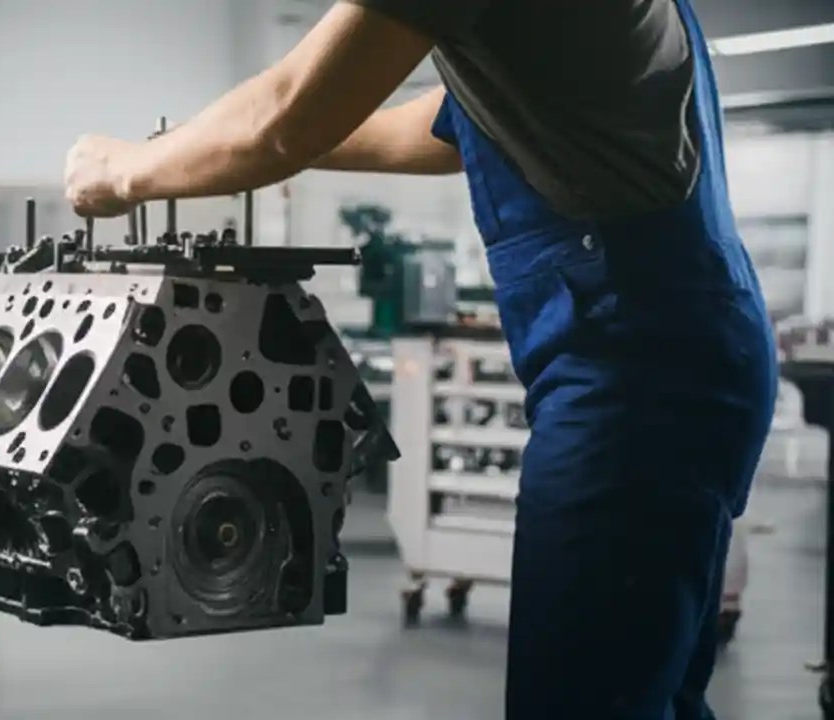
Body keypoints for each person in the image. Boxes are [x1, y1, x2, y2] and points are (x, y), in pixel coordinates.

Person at [63, 1, 778, 718]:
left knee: (585, 697)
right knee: (645, 684)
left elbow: (281, 118)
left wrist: (122, 172)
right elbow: (440, 125)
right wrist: (206, 139)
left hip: (640, 366)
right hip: (676, 343)